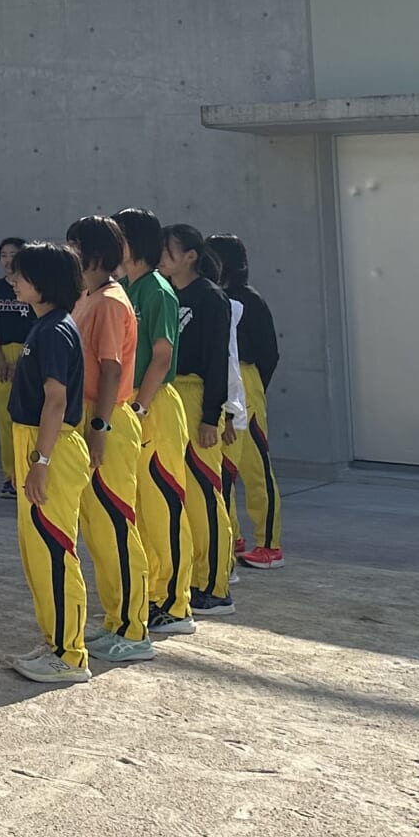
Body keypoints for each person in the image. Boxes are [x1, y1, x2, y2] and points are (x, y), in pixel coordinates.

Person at [3, 242, 93, 684]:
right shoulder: (44, 326)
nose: (13, 281)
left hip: (51, 448)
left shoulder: (55, 330)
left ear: (45, 282)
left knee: (56, 550)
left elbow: (56, 400)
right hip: (35, 443)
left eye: (22, 275)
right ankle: (55, 640)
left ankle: (70, 654)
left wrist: (41, 461)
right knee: (38, 551)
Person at [67, 214, 152, 664]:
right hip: (90, 414)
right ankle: (116, 618)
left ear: (95, 253)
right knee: (99, 530)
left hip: (108, 419)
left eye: (75, 245)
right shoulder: (89, 297)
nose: (69, 252)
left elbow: (112, 369)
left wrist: (99, 428)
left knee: (117, 525)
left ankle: (135, 629)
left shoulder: (110, 302)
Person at [114, 207, 194, 639]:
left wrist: (141, 407)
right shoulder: (126, 288)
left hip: (155, 406)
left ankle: (176, 604)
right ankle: (149, 594)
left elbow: (162, 355)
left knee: (164, 505)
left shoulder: (158, 290)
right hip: (131, 406)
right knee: (139, 509)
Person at [162, 223, 239, 617]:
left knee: (206, 491)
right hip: (169, 392)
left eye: (169, 250)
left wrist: (212, 416)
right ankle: (191, 576)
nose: (162, 257)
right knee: (179, 491)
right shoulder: (167, 292)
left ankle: (216, 584)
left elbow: (217, 359)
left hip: (196, 394)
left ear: (190, 256)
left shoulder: (210, 297)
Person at [209, 233, 284, 567]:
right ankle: (233, 536)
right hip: (219, 379)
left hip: (246, 379)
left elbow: (269, 353)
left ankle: (269, 544)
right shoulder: (212, 296)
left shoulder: (249, 300)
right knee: (221, 467)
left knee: (255, 466)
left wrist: (254, 389)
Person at [0, 239, 33, 495]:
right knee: (4, 419)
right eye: (3, 254)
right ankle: (9, 477)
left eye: (13, 254)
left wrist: (21, 361)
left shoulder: (33, 287)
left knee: (27, 418)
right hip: (1, 355)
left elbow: (38, 326)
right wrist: (0, 359)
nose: (8, 259)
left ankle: (27, 474)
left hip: (29, 354)